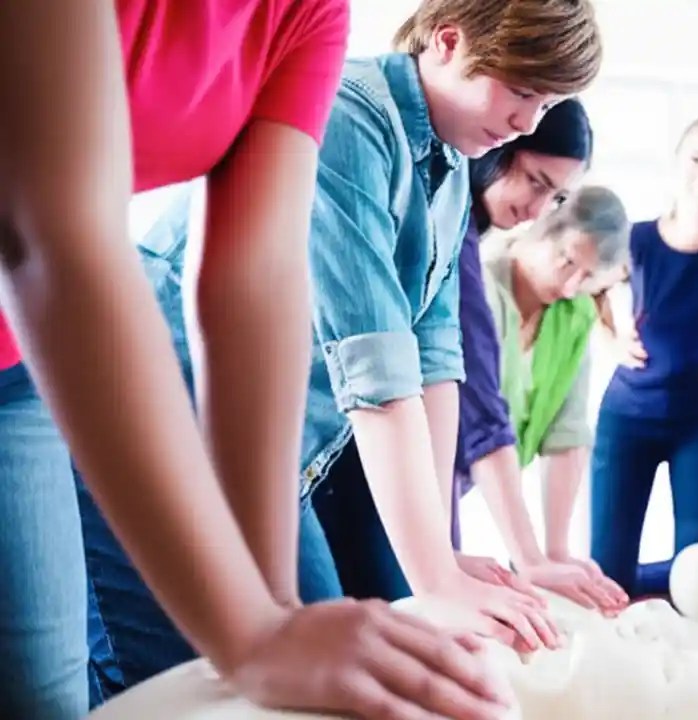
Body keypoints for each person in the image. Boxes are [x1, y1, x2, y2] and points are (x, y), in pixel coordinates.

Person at [79, 0, 605, 712]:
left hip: (262, 457)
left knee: (335, 672)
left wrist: (442, 558)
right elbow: (376, 366)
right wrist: (435, 581)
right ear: (448, 42)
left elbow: (433, 361)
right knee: (179, 681)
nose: (526, 123)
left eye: (544, 105)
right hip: (150, 427)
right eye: (520, 93)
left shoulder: (451, 169)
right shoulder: (352, 116)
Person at [0, 2, 478, 718]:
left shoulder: (310, 16)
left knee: (42, 695)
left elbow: (253, 279)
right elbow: (52, 237)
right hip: (55, 312)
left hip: (15, 363)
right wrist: (250, 635)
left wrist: (278, 608)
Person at [314, 99, 627, 614]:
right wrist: (518, 558)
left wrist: (461, 555)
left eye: (554, 196)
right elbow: (474, 400)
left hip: (405, 476)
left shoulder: (466, 227)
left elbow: (444, 369)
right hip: (350, 458)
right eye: (535, 181)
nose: (536, 209)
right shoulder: (461, 241)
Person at [590, 116, 698, 597]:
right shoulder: (633, 240)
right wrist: (609, 338)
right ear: (676, 165)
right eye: (697, 160)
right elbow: (585, 287)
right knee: (609, 576)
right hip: (626, 418)